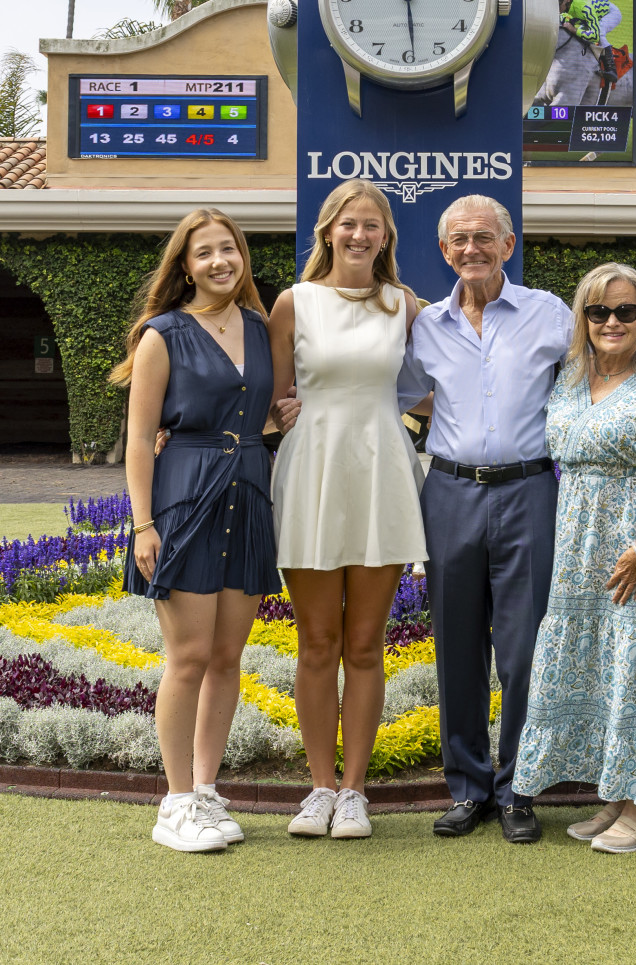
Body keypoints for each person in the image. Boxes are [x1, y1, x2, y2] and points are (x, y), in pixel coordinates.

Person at [403, 195, 572, 844]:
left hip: (529, 490)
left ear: (508, 244)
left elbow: (594, 372)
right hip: (448, 491)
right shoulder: (425, 325)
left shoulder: (548, 313)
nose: (470, 248)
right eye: (458, 240)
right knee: (457, 645)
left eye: (484, 237)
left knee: (525, 648)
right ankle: (468, 786)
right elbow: (398, 393)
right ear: (444, 252)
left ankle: (518, 788)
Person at [511, 263, 636, 854]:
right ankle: (615, 797)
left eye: (625, 311)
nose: (612, 321)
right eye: (598, 312)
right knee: (597, 661)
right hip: (577, 544)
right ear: (583, 320)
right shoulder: (567, 379)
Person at [111, 208, 280, 852]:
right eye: (204, 253)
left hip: (249, 494)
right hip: (184, 499)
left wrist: (281, 414)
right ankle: (175, 803)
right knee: (188, 657)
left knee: (227, 657)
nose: (220, 262)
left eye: (229, 249)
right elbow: (137, 436)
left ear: (242, 256)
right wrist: (142, 524)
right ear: (184, 266)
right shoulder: (161, 334)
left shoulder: (263, 331)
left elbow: (261, 414)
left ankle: (207, 791)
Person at [268, 179, 427, 840]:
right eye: (348, 224)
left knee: (364, 644)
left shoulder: (405, 306)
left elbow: (435, 390)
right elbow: (270, 400)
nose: (359, 235)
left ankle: (356, 791)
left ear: (386, 235)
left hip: (383, 476)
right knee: (317, 643)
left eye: (372, 225)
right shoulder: (293, 303)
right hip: (311, 473)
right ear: (327, 231)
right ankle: (319, 788)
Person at [559, 0, 622, 83]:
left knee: (600, 32)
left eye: (559, 3)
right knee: (582, 33)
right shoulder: (567, 8)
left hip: (612, 13)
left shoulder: (585, 8)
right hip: (593, 16)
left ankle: (611, 70)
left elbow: (595, 36)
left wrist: (574, 30)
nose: (557, 7)